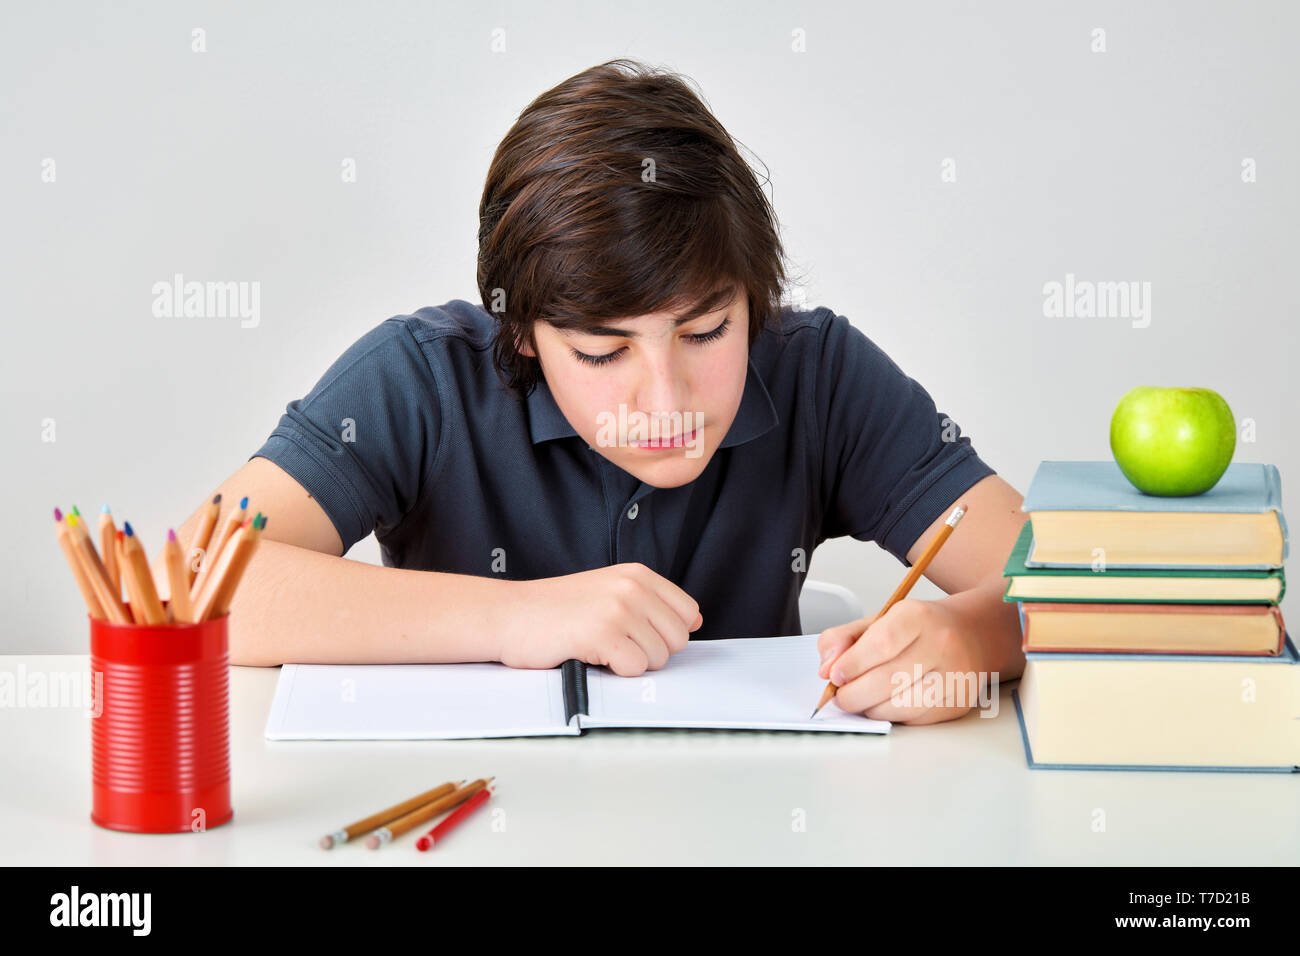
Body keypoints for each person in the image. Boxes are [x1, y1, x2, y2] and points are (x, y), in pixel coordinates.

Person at [161, 58, 1028, 724]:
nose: (667, 399)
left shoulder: (818, 372)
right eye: (602, 352)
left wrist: (977, 638)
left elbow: (1086, 583)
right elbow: (196, 584)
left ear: (753, 301)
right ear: (523, 337)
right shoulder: (421, 378)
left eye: (706, 332)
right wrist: (518, 620)